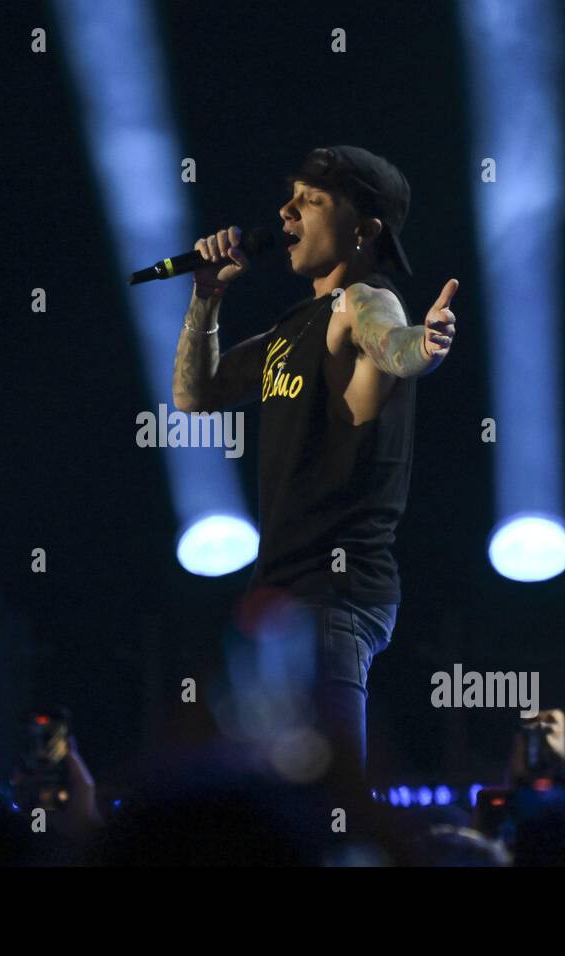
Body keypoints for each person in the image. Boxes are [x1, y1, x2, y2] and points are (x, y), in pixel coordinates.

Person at [171, 145, 459, 790]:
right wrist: (207, 297)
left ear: (364, 229)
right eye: (290, 196)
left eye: (312, 200)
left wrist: (426, 343)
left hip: (334, 590)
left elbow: (394, 344)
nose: (286, 210)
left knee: (331, 797)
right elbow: (194, 395)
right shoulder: (292, 326)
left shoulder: (362, 301)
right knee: (271, 787)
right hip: (283, 596)